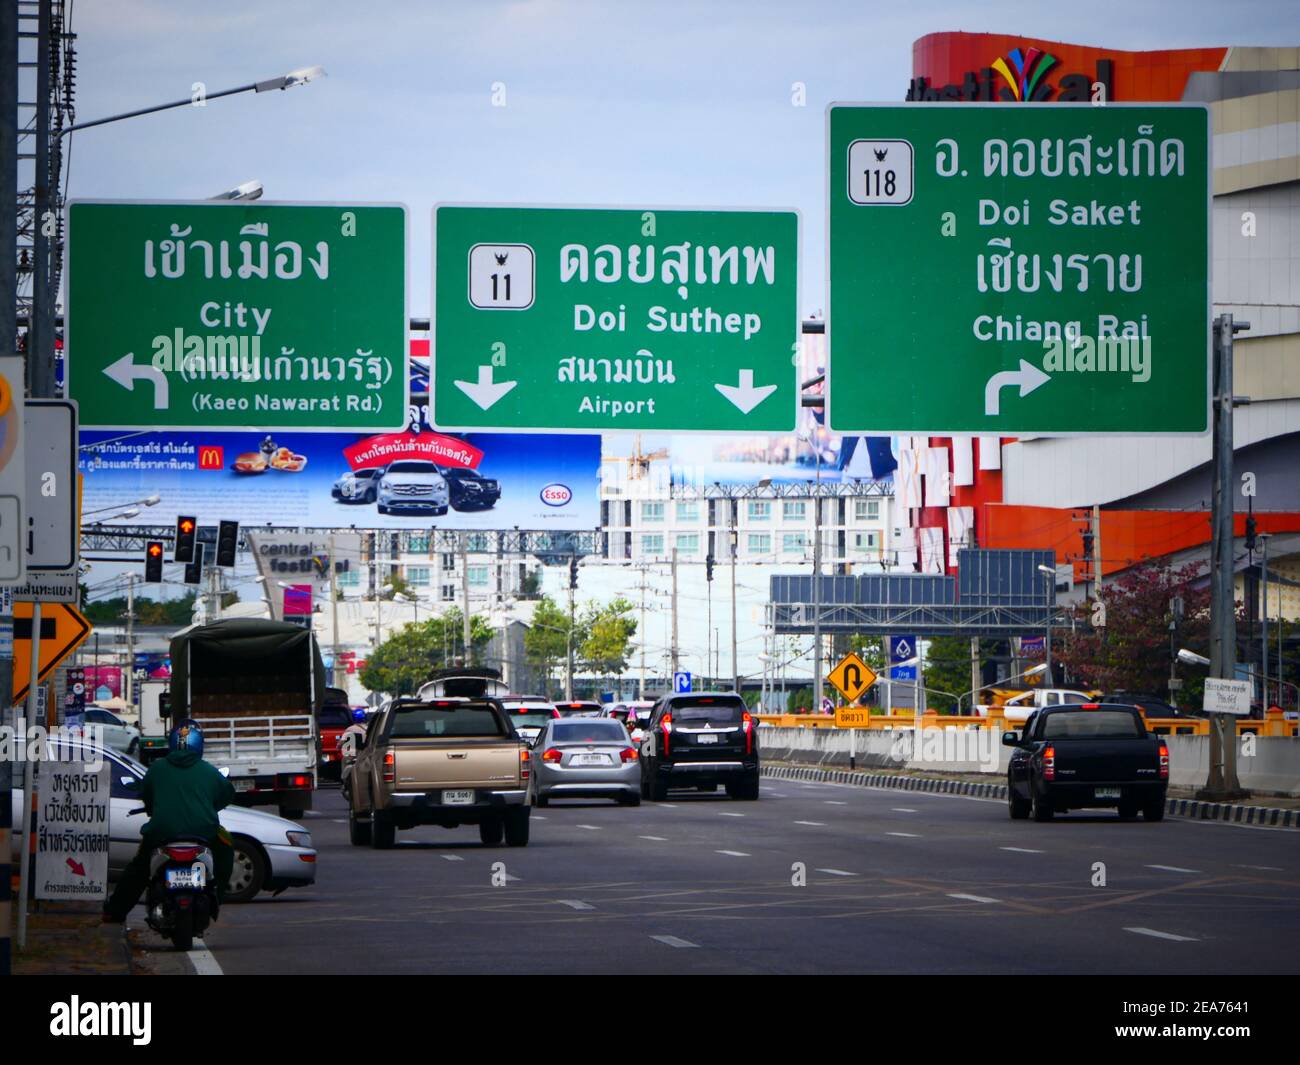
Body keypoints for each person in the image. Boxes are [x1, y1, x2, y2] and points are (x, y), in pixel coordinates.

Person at [103, 719, 235, 923]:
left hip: (161, 832)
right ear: (199, 745)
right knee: (226, 848)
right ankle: (217, 897)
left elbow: (146, 796)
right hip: (204, 832)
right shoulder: (208, 771)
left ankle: (115, 911)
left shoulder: (157, 769)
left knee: (139, 868)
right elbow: (226, 795)